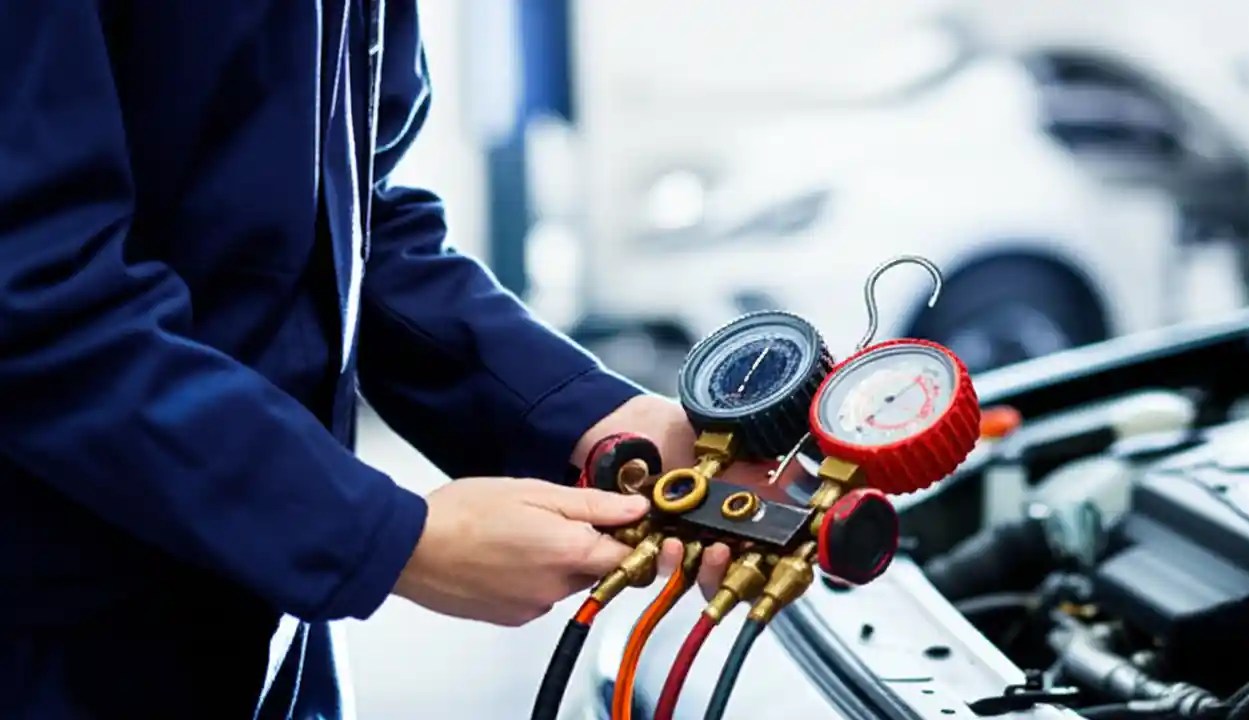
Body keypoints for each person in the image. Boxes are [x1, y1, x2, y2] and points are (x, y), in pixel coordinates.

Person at [0, 2, 764, 717]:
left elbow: (357, 223)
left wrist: (595, 418)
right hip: (54, 625)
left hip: (262, 618)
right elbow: (34, 295)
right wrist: (385, 537)